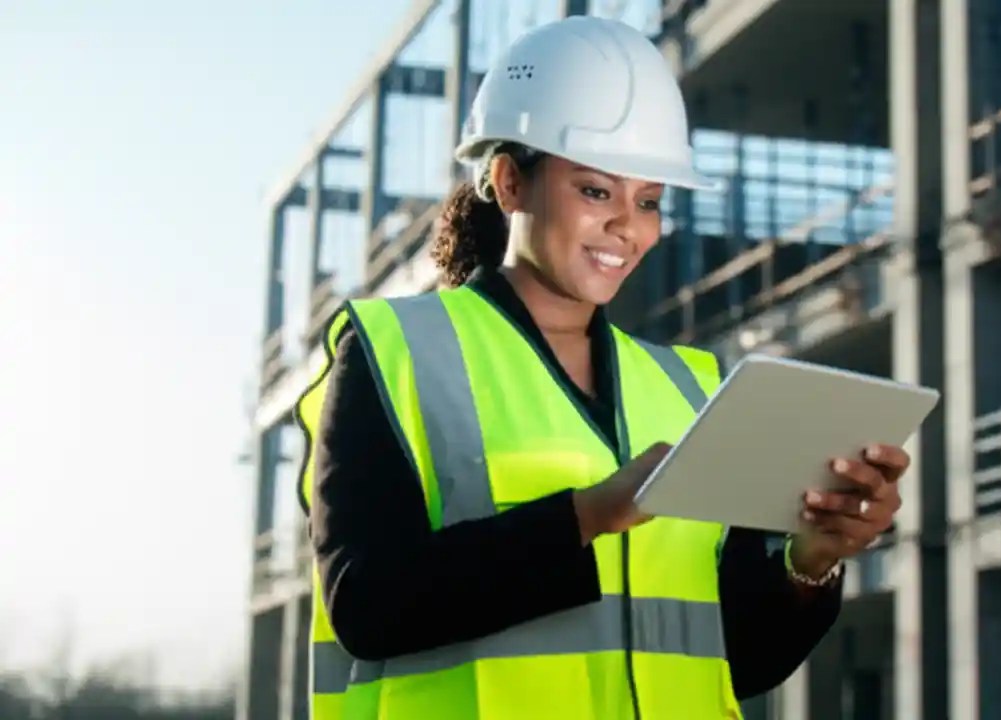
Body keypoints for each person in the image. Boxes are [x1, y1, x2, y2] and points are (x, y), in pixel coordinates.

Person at [292, 15, 909, 720]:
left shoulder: (689, 388)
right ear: (509, 182)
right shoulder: (393, 351)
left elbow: (739, 660)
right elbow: (368, 606)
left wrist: (811, 560)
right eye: (596, 191)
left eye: (649, 201)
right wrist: (589, 515)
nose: (630, 226)